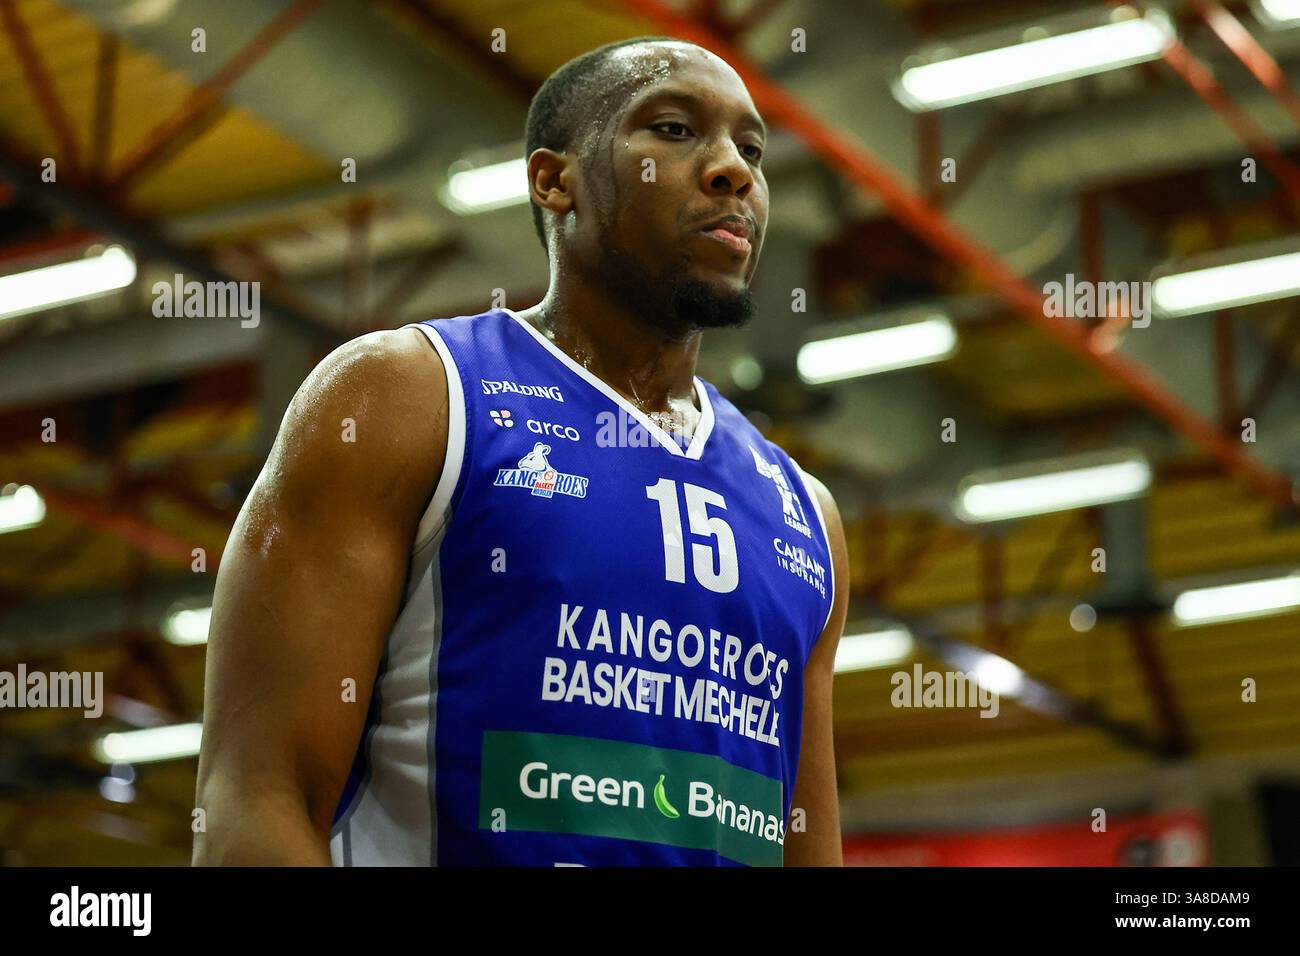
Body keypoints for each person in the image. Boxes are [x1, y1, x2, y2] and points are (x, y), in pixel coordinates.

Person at [192, 35, 848, 867]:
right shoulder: (407, 396)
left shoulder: (806, 515)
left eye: (751, 149)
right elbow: (254, 803)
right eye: (676, 130)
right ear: (553, 180)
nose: (734, 171)